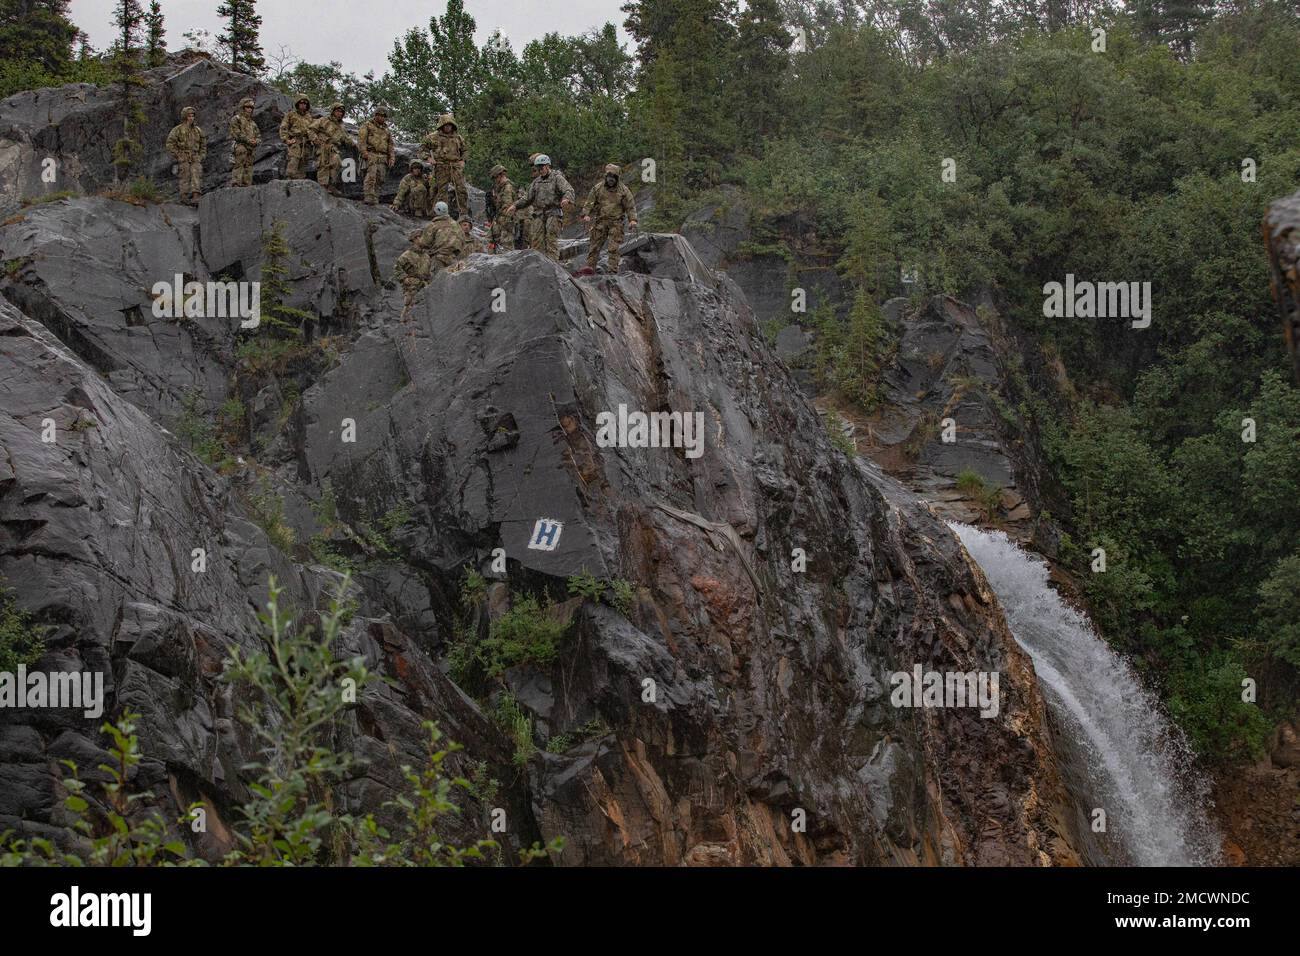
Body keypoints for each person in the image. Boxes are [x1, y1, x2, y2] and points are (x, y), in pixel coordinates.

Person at [505, 154, 574, 261]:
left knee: (551, 240)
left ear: (547, 166)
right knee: (536, 241)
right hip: (539, 214)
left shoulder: (557, 178)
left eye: (541, 168)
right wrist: (515, 205)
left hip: (553, 213)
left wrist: (566, 199)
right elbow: (527, 198)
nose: (540, 170)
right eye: (538, 168)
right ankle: (538, 265)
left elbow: (568, 189)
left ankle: (553, 265)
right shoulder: (536, 182)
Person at [582, 163, 638, 273]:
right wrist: (586, 215)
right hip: (600, 221)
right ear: (605, 176)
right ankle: (589, 269)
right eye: (609, 176)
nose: (611, 179)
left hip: (616, 223)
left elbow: (630, 206)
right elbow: (589, 203)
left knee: (613, 249)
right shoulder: (598, 188)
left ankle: (612, 272)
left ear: (617, 178)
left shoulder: (624, 190)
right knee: (594, 247)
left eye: (613, 177)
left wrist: (633, 220)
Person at [420, 113, 468, 219]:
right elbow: (422, 149)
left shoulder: (458, 137)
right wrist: (429, 158)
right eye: (446, 125)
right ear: (441, 125)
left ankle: (464, 214)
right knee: (442, 191)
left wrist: (463, 160)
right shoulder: (433, 137)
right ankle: (442, 215)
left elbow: (465, 150)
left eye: (450, 125)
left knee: (462, 190)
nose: (448, 127)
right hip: (441, 166)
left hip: (455, 166)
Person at [165, 106, 207, 206]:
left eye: (193, 116)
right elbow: (170, 143)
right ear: (185, 117)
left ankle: (196, 195)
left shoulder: (198, 130)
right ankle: (184, 197)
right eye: (189, 116)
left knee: (196, 174)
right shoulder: (178, 130)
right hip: (184, 157)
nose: (191, 118)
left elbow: (203, 144)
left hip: (195, 157)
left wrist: (201, 156)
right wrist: (178, 155)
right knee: (185, 176)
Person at [311, 103, 353, 196]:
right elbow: (311, 129)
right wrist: (314, 139)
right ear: (333, 111)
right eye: (338, 111)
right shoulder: (323, 120)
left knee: (337, 162)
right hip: (322, 145)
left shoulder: (341, 126)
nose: (340, 113)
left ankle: (331, 185)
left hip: (333, 148)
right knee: (323, 164)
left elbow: (347, 139)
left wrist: (357, 145)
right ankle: (322, 185)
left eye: (341, 112)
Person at [357, 106, 396, 205]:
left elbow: (390, 145)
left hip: (383, 157)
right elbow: (361, 140)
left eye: (384, 116)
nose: (382, 118)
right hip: (371, 154)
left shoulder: (387, 130)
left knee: (381, 178)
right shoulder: (367, 125)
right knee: (371, 176)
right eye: (380, 115)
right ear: (376, 115)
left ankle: (375, 197)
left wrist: (391, 157)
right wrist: (364, 152)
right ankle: (368, 196)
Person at [418, 201, 468, 268]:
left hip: (437, 258)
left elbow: (424, 243)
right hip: (453, 258)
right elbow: (463, 240)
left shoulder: (433, 225)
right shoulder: (456, 224)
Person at [394, 230, 433, 312]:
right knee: (409, 311)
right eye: (423, 237)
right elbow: (397, 269)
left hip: (425, 288)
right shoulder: (406, 255)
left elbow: (429, 271)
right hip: (412, 289)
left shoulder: (426, 256)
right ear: (415, 239)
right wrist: (405, 279)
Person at [278, 94, 315, 179]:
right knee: (294, 159)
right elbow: (284, 127)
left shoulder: (309, 117)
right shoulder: (291, 115)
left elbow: (313, 129)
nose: (303, 104)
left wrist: (313, 139)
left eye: (305, 103)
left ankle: (300, 181)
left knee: (303, 162)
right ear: (297, 103)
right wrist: (286, 139)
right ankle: (289, 179)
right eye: (301, 102)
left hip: (306, 143)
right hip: (295, 141)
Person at [485, 164, 516, 252]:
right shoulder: (499, 188)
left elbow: (507, 208)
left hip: (506, 221)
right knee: (489, 239)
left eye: (495, 178)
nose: (494, 181)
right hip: (500, 219)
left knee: (507, 246)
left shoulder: (507, 188)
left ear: (500, 175)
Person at [228, 97, 259, 188]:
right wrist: (248, 140)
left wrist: (256, 141)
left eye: (251, 108)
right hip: (240, 146)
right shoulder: (236, 119)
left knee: (249, 166)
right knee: (239, 164)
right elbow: (236, 133)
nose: (249, 109)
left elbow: (259, 136)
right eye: (247, 107)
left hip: (251, 148)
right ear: (242, 107)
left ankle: (247, 185)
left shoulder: (253, 123)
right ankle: (236, 184)